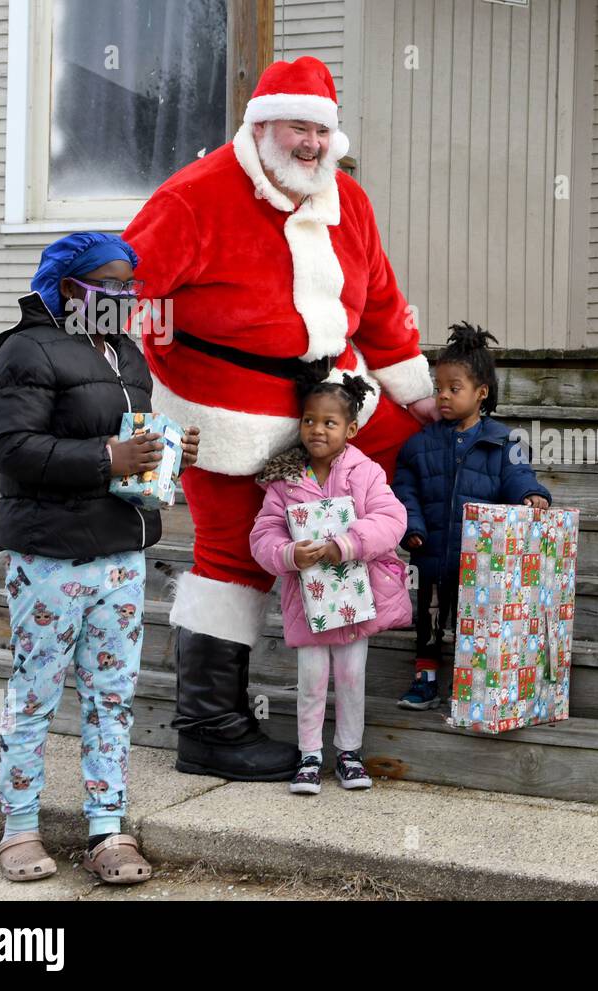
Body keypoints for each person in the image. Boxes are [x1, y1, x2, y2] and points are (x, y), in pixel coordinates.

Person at [122, 56, 438, 781]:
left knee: (437, 455)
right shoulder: (194, 197)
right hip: (224, 412)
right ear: (261, 126)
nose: (311, 144)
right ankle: (210, 726)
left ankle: (440, 635)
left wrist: (418, 392)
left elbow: (384, 307)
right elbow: (120, 284)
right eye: (298, 127)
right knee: (233, 559)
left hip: (335, 398)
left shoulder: (347, 201)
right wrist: (89, 373)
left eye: (321, 131)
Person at [0, 232, 200, 884]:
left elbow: (129, 447)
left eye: (133, 283)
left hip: (121, 556)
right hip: (51, 558)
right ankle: (19, 826)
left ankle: (107, 829)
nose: (130, 295)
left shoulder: (126, 355)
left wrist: (165, 459)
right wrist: (109, 458)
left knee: (112, 698)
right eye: (115, 282)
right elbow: (13, 448)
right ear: (75, 288)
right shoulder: (26, 351)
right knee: (37, 697)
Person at [249, 377, 412, 793]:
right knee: (312, 679)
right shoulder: (285, 480)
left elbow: (391, 520)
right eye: (309, 420)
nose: (317, 430)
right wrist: (288, 554)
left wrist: (347, 544)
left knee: (353, 675)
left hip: (355, 601)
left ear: (350, 429)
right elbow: (263, 533)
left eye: (329, 422)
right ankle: (309, 756)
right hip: (309, 603)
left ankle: (349, 753)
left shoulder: (366, 473)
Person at [391, 323, 552, 710]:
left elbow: (519, 476)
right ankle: (424, 681)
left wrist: (532, 495)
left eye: (454, 388)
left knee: (475, 625)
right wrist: (411, 527)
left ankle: (471, 685)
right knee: (428, 622)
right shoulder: (419, 445)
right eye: (438, 387)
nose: (443, 396)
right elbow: (404, 491)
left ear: (481, 393)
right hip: (430, 553)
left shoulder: (505, 441)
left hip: (481, 561)